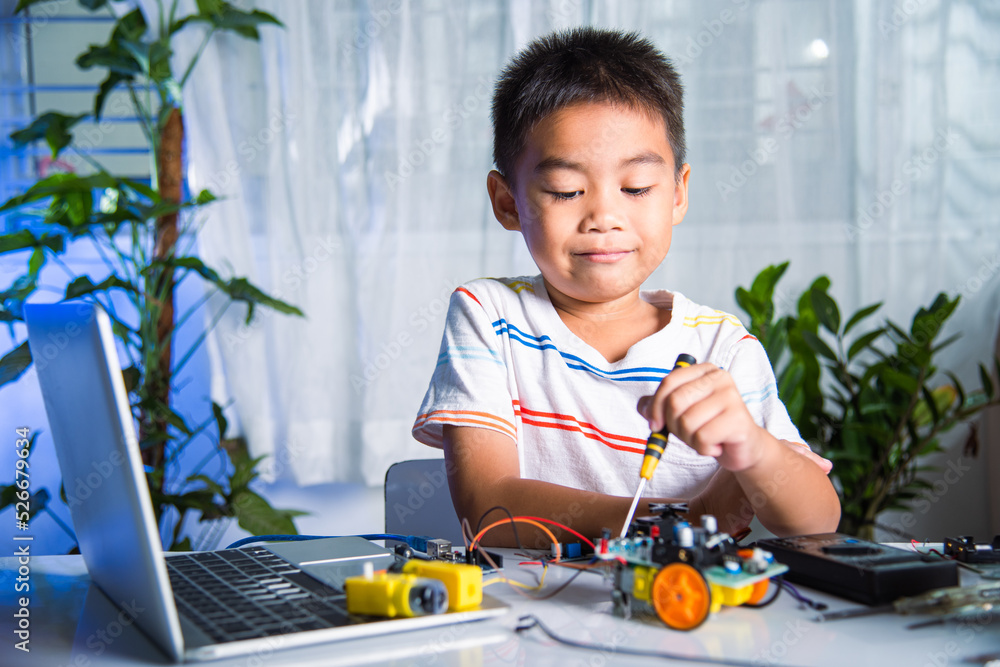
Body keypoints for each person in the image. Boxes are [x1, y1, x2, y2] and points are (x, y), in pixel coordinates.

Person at [412, 27, 840, 547]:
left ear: (679, 194)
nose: (605, 217)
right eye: (566, 191)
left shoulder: (721, 348)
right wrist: (689, 516)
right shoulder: (489, 316)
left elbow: (818, 523)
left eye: (636, 187)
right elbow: (489, 510)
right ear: (507, 202)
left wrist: (754, 449)